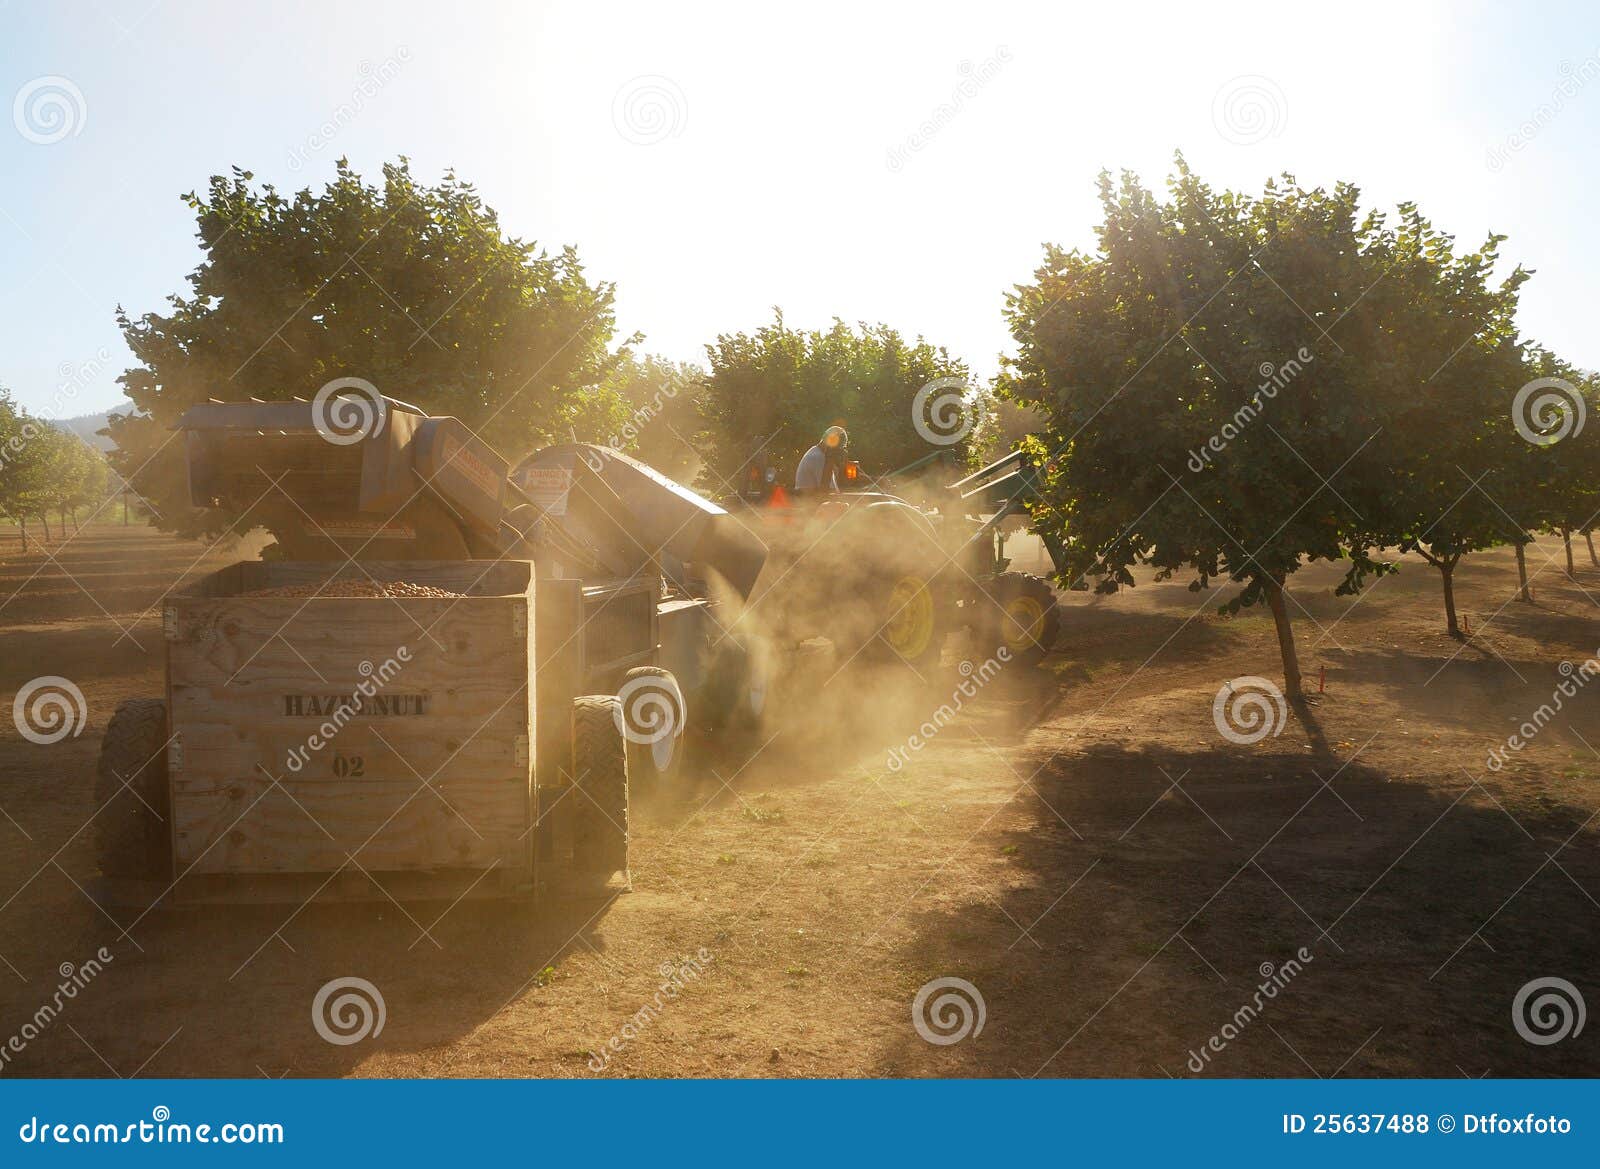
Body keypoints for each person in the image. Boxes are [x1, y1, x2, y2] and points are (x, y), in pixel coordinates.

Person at [795, 425, 848, 493]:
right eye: (837, 449)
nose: (838, 453)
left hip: (810, 498)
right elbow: (830, 492)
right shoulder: (818, 458)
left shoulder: (815, 452)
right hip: (811, 500)